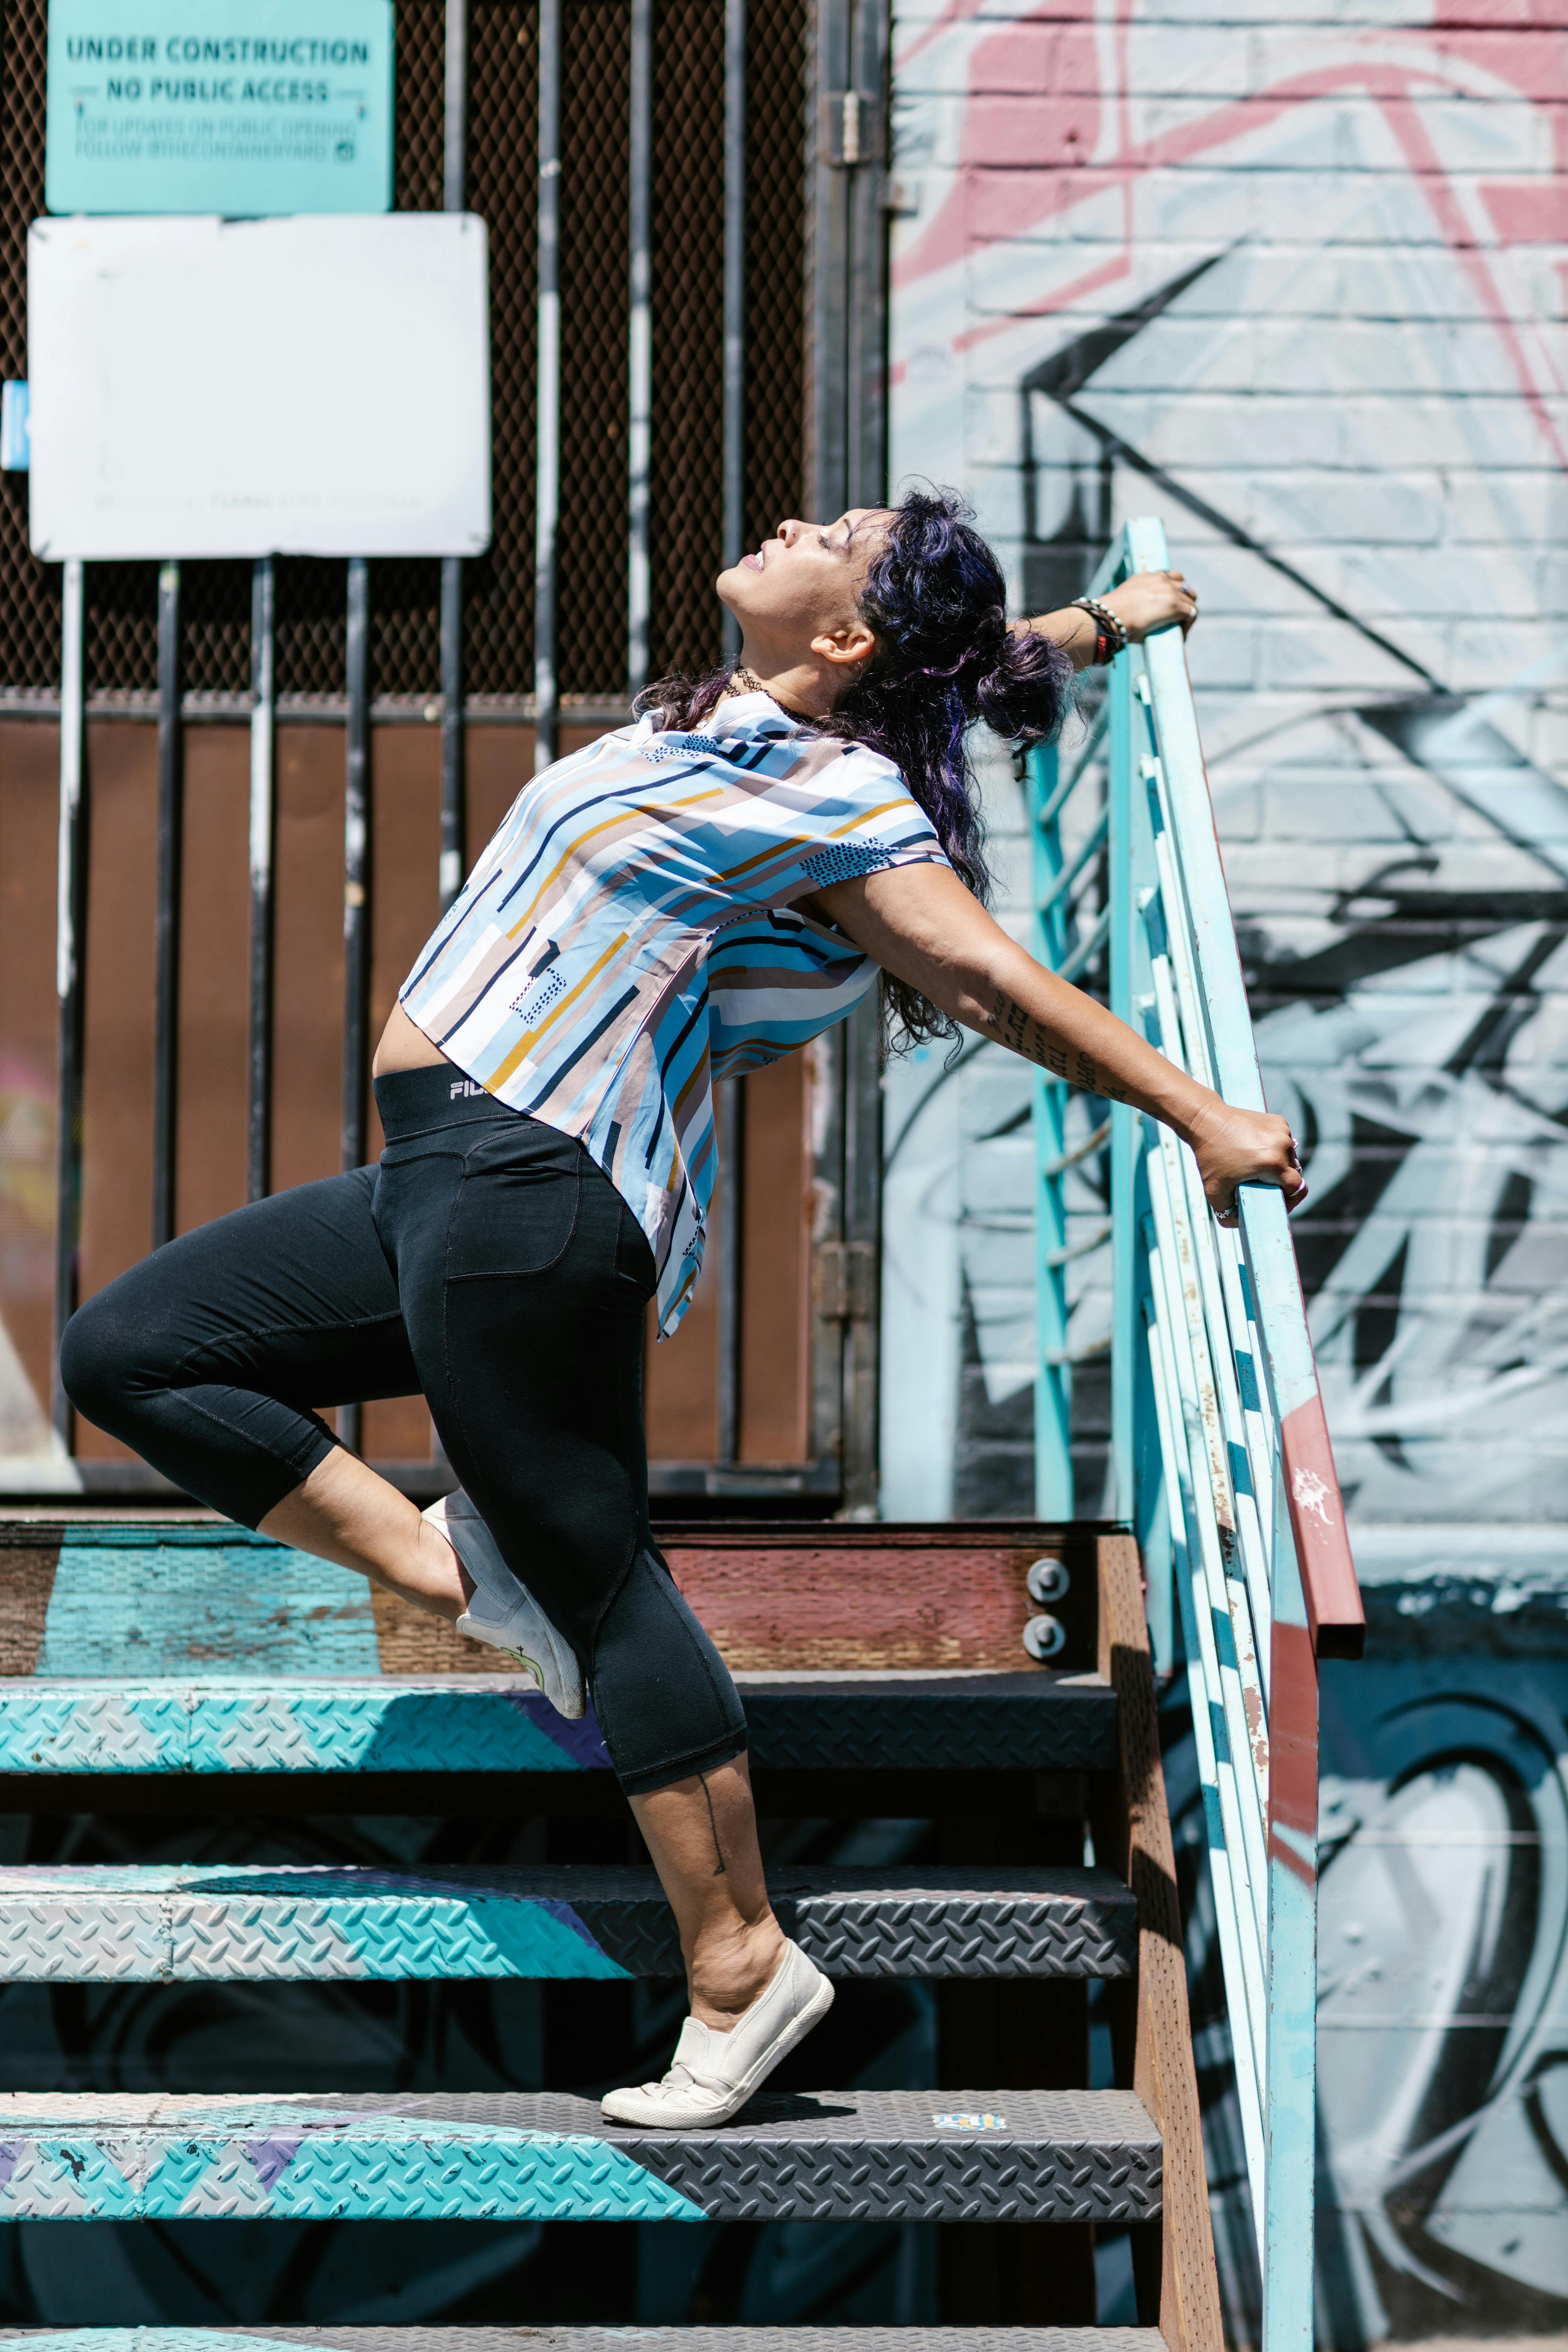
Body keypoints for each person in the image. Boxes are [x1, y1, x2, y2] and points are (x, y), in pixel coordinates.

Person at [60, 489, 1304, 2130]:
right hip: (436, 1175)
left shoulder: (846, 800)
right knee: (134, 1351)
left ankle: (740, 1964)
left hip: (532, 1184)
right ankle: (457, 1566)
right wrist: (1100, 626)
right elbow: (948, 665)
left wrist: (1200, 1116)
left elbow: (989, 980)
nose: (790, 519)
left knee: (605, 1588)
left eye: (832, 533)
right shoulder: (737, 725)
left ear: (844, 630)